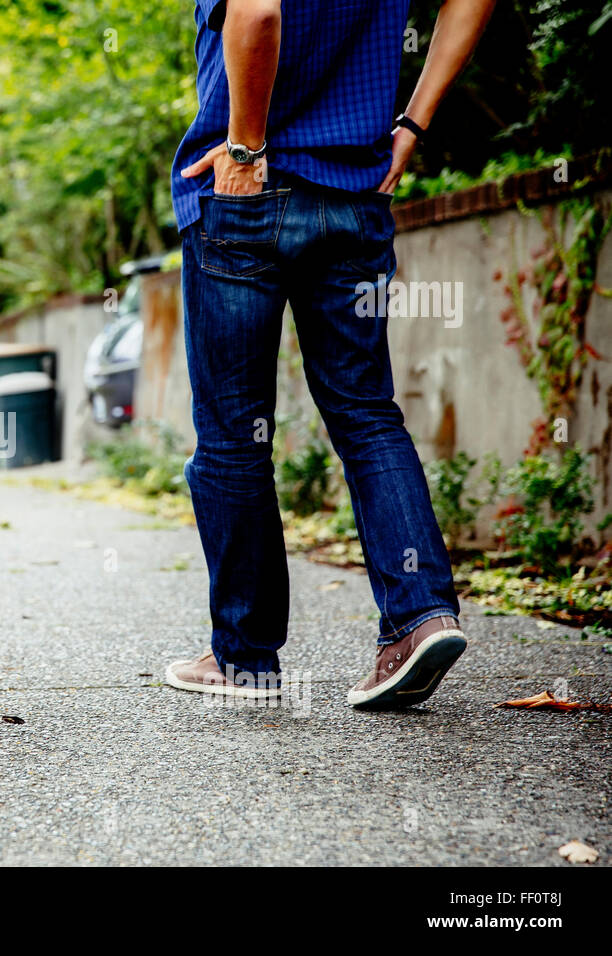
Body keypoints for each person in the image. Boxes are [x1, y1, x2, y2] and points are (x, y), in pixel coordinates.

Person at [164, 0, 495, 708]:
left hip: (244, 191)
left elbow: (256, 13)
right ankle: (419, 617)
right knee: (367, 413)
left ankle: (244, 658)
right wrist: (412, 124)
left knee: (233, 434)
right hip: (354, 191)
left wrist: (248, 149)